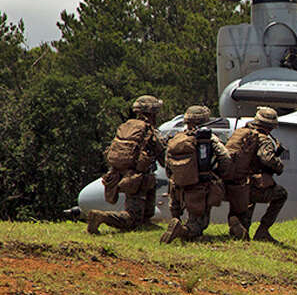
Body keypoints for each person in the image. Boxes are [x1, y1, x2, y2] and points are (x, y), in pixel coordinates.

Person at [86, 95, 166, 235]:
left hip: (124, 175)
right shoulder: (150, 132)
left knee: (145, 210)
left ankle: (145, 222)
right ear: (152, 112)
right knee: (132, 218)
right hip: (136, 179)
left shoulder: (127, 127)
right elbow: (163, 158)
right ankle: (101, 217)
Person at [160, 105, 230, 243]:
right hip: (200, 186)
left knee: (188, 217)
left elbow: (167, 163)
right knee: (198, 225)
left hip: (177, 186)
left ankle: (176, 223)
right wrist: (218, 174)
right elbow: (225, 157)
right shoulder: (208, 138)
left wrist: (176, 178)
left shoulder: (177, 138)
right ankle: (181, 230)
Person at [223, 106, 287, 243]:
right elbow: (267, 159)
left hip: (233, 182)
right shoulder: (263, 139)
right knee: (281, 194)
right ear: (271, 126)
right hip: (252, 185)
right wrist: (279, 166)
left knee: (245, 203)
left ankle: (239, 229)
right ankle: (262, 231)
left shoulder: (240, 133)